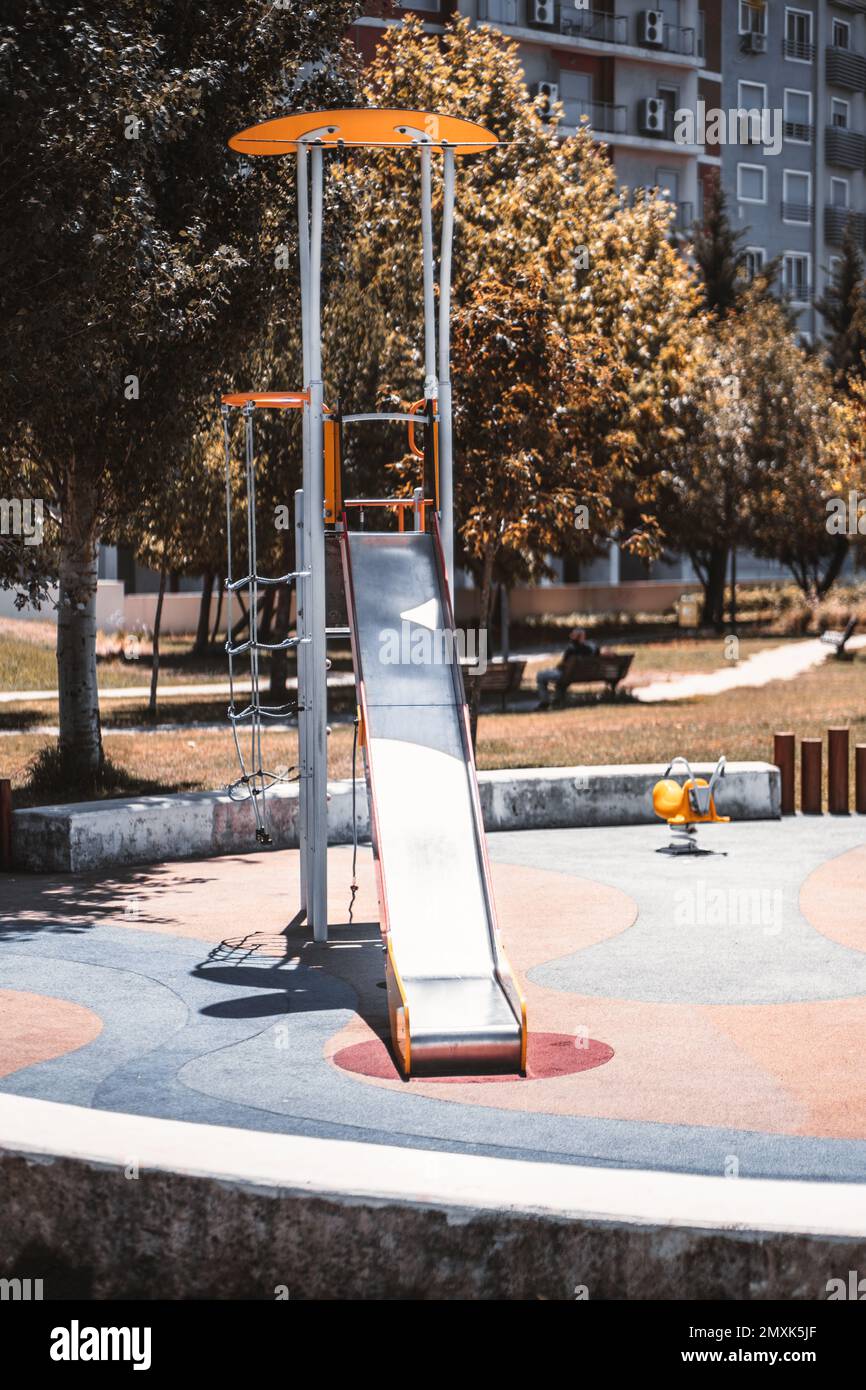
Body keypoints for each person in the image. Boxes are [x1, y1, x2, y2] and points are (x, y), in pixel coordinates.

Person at [536, 627, 599, 709]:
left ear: (576, 637)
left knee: (540, 675)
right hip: (581, 674)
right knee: (561, 679)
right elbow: (597, 650)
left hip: (566, 674)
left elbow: (563, 664)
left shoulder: (571, 649)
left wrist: (559, 666)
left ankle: (544, 702)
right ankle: (557, 700)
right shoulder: (591, 649)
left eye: (573, 635)